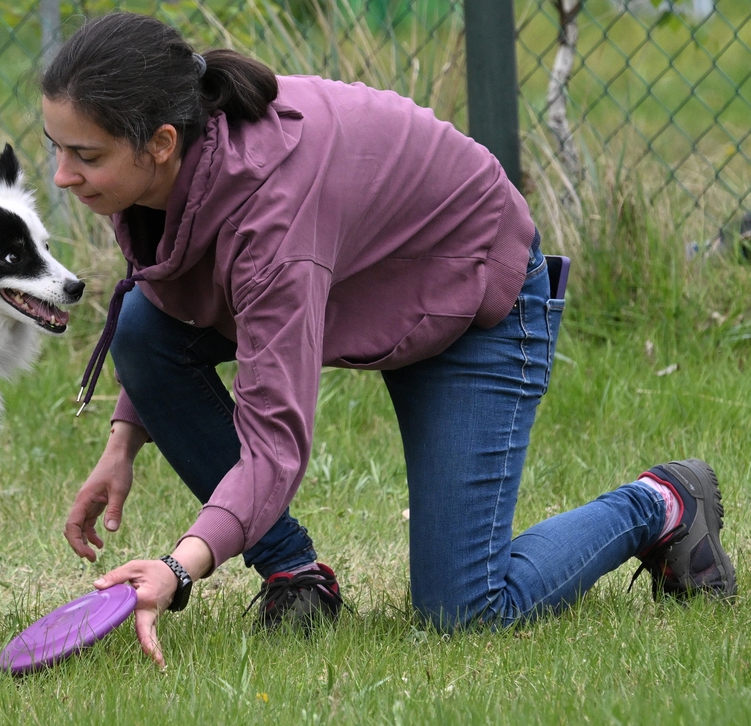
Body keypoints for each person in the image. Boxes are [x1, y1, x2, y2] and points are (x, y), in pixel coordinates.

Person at [42, 11, 735, 668]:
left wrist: (178, 568)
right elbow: (163, 302)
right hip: (366, 284)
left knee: (464, 610)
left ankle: (663, 501)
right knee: (140, 327)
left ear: (161, 143)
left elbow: (277, 444)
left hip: (470, 306)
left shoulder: (272, 223)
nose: (63, 176)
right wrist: (124, 439)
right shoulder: (161, 173)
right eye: (57, 149)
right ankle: (295, 574)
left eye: (84, 155)